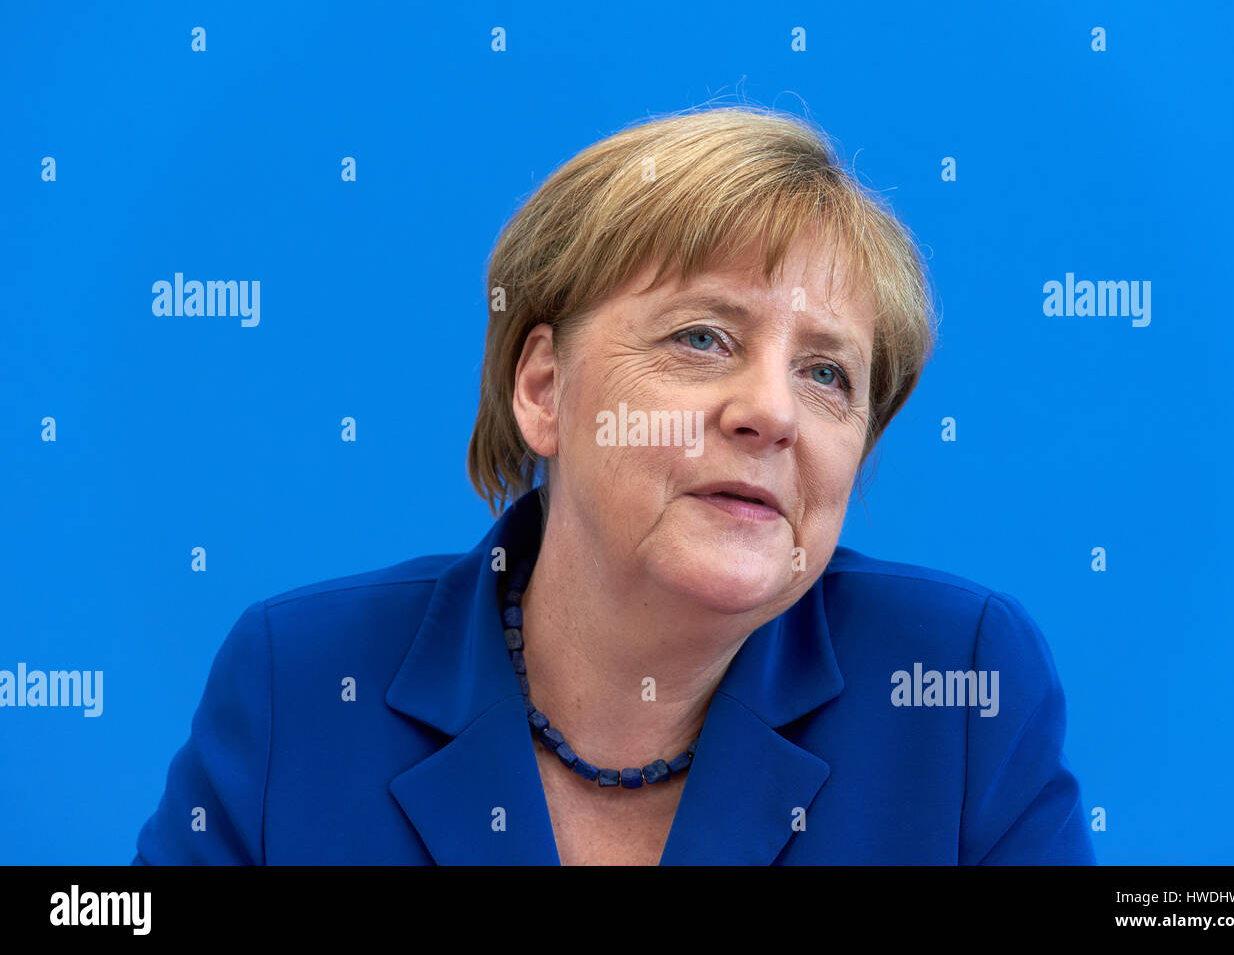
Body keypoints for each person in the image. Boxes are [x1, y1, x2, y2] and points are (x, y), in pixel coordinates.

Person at [131, 105, 1096, 865]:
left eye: (827, 374)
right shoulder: (299, 682)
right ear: (544, 389)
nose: (773, 413)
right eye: (702, 337)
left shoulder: (958, 688)